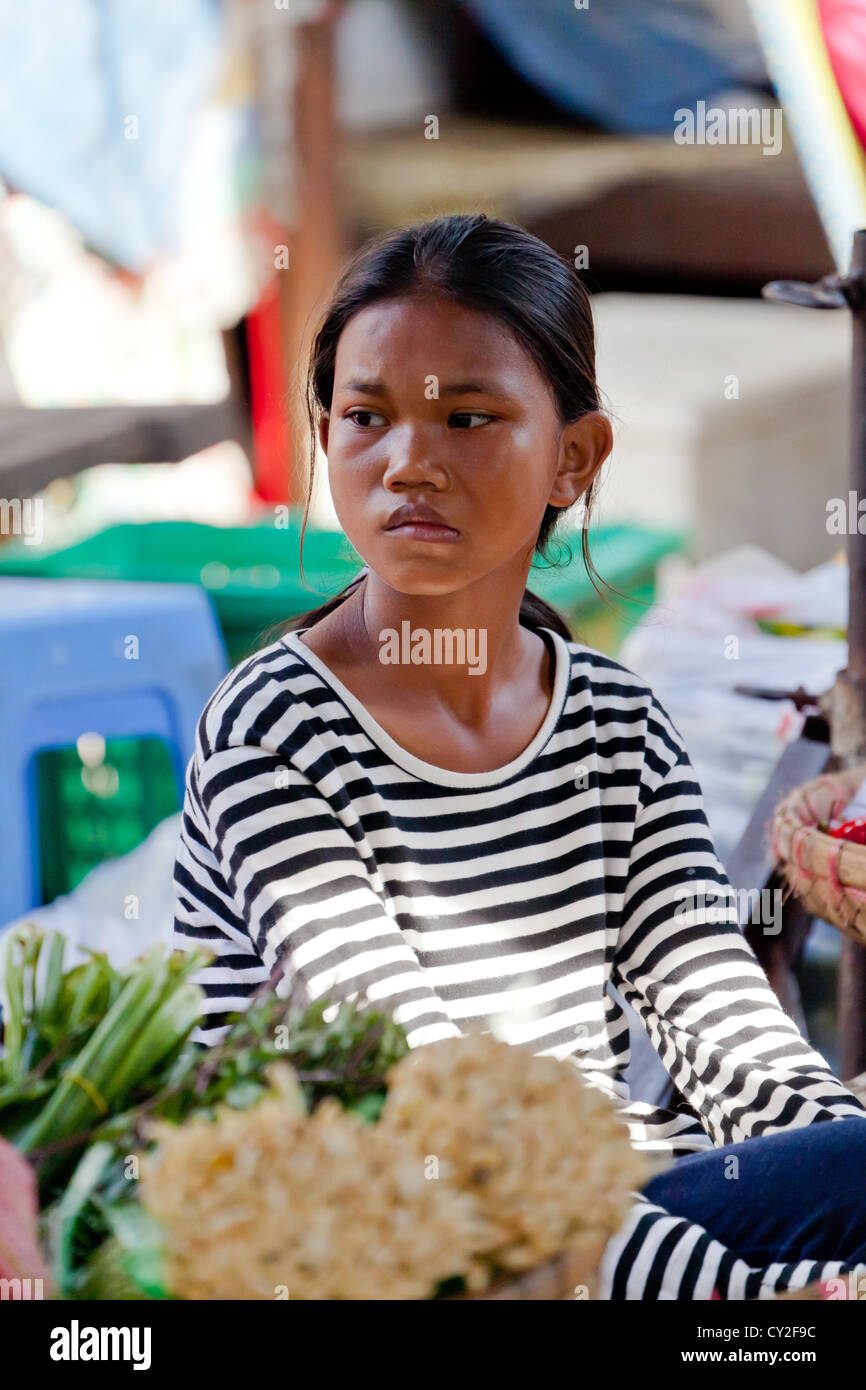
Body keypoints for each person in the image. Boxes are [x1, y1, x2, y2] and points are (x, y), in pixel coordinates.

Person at [173, 212, 866, 1300]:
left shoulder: (612, 722)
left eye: (466, 416)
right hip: (403, 1248)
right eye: (367, 416)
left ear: (572, 458)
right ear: (324, 439)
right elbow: (430, 1100)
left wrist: (828, 1168)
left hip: (615, 1226)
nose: (409, 460)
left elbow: (721, 1019)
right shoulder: (273, 729)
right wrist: (752, 1297)